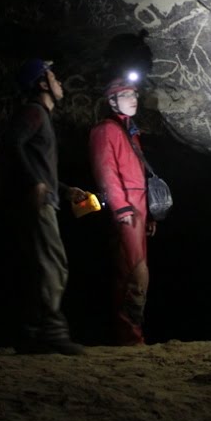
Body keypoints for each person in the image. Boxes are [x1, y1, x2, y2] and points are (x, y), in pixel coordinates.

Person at [1, 58, 89, 355]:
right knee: (54, 264)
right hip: (38, 203)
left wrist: (64, 190)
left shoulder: (42, 117)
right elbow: (11, 143)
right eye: (53, 76)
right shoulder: (34, 112)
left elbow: (38, 163)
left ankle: (30, 333)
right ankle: (52, 331)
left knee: (39, 267)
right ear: (42, 83)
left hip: (43, 198)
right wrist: (33, 183)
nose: (59, 82)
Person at [88, 75, 157, 346]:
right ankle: (129, 337)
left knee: (138, 272)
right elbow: (106, 171)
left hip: (138, 207)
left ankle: (132, 334)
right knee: (132, 273)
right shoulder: (105, 130)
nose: (133, 99)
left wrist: (148, 214)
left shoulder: (131, 132)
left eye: (134, 94)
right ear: (112, 101)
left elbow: (138, 176)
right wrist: (121, 207)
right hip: (126, 206)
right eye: (126, 94)